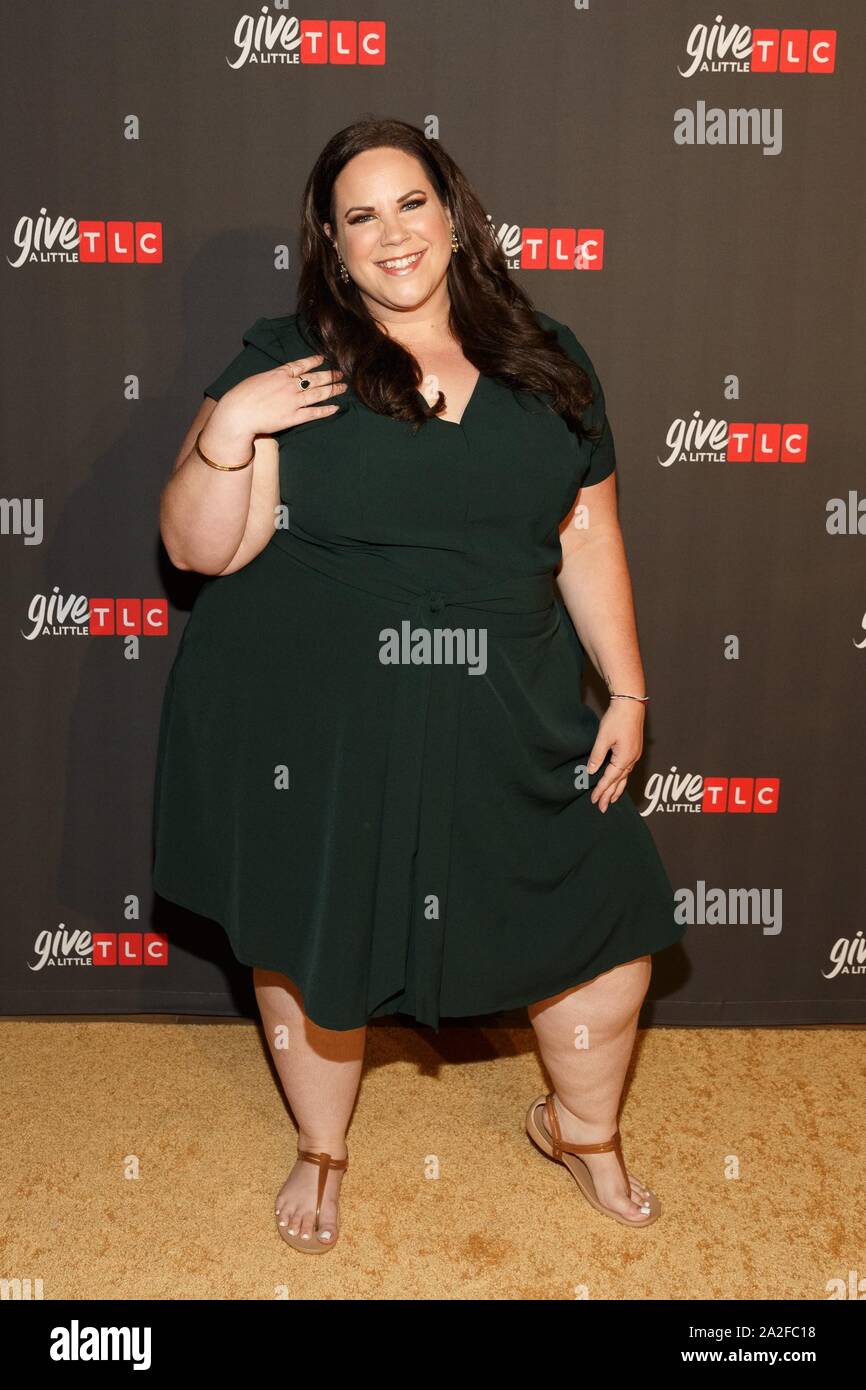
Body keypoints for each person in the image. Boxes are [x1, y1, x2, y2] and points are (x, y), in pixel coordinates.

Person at [152, 117, 686, 1253]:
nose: (390, 233)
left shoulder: (549, 357)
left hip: (512, 702)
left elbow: (586, 528)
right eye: (359, 216)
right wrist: (228, 432)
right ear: (333, 248)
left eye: (410, 203)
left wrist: (627, 690)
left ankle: (578, 1129)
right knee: (315, 937)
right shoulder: (285, 361)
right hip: (318, 716)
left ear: (453, 216)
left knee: (606, 925)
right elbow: (201, 552)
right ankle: (322, 1148)